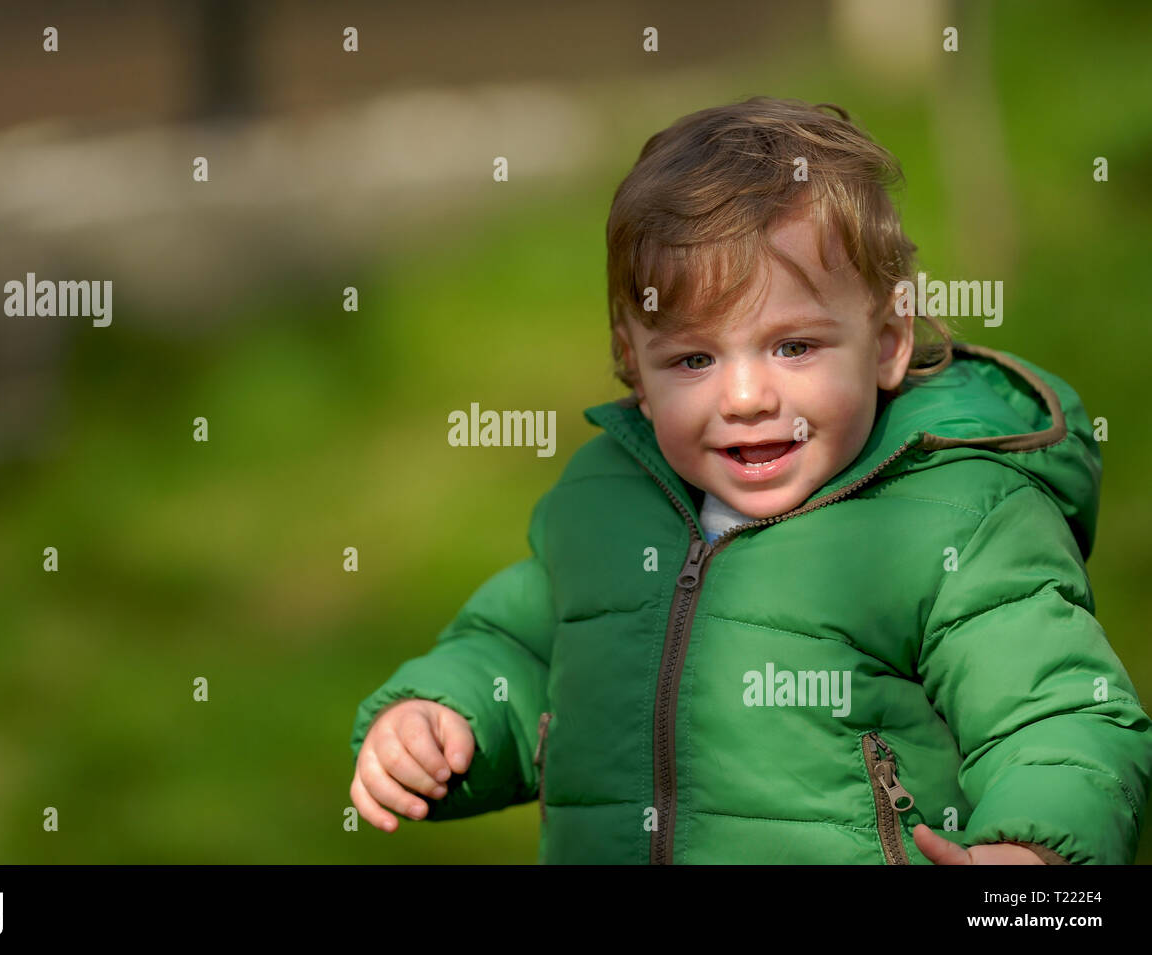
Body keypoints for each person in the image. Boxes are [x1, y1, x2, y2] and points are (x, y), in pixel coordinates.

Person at [348, 97, 1152, 863]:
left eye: (793, 347)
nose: (744, 398)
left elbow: (1056, 713)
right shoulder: (603, 502)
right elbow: (524, 650)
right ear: (634, 365)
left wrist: (1036, 842)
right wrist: (440, 714)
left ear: (886, 340)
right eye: (694, 358)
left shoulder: (953, 520)